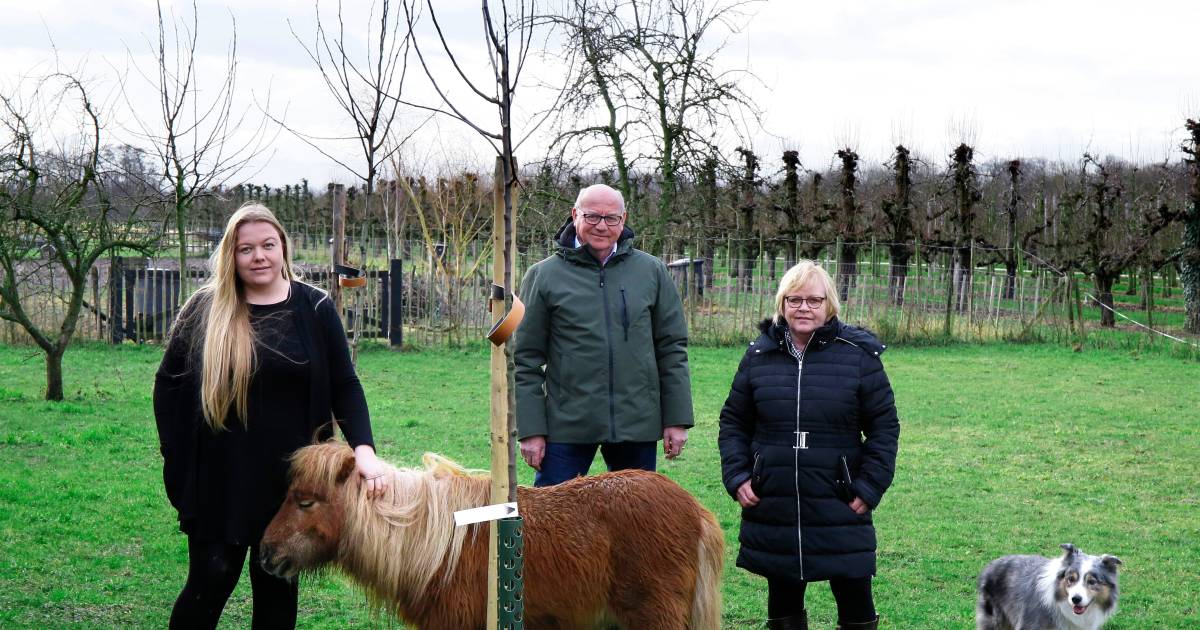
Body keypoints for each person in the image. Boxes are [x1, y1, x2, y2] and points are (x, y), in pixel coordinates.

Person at [153, 204, 388, 629]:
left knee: (277, 592)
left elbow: (345, 386)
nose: (258, 256)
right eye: (246, 249)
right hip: (220, 480)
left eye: (267, 245)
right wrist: (178, 462)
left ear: (283, 247)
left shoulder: (314, 308)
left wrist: (365, 451)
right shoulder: (206, 309)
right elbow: (168, 386)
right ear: (232, 255)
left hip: (292, 487)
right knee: (210, 580)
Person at [718, 260, 900, 630]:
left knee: (854, 595)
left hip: (839, 498)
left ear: (829, 304)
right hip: (776, 499)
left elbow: (884, 428)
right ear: (782, 304)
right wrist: (738, 476)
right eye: (795, 300)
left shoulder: (858, 356)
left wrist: (869, 486)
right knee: (783, 595)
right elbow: (734, 422)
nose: (804, 309)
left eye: (814, 300)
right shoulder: (758, 356)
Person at [514, 183, 693, 486]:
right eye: (592, 216)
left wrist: (676, 419)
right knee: (552, 524)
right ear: (574, 215)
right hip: (566, 426)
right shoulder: (542, 276)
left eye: (611, 218)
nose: (601, 225)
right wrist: (531, 429)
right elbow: (525, 358)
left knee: (635, 522)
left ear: (623, 219)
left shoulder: (651, 272)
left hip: (636, 422)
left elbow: (672, 347)